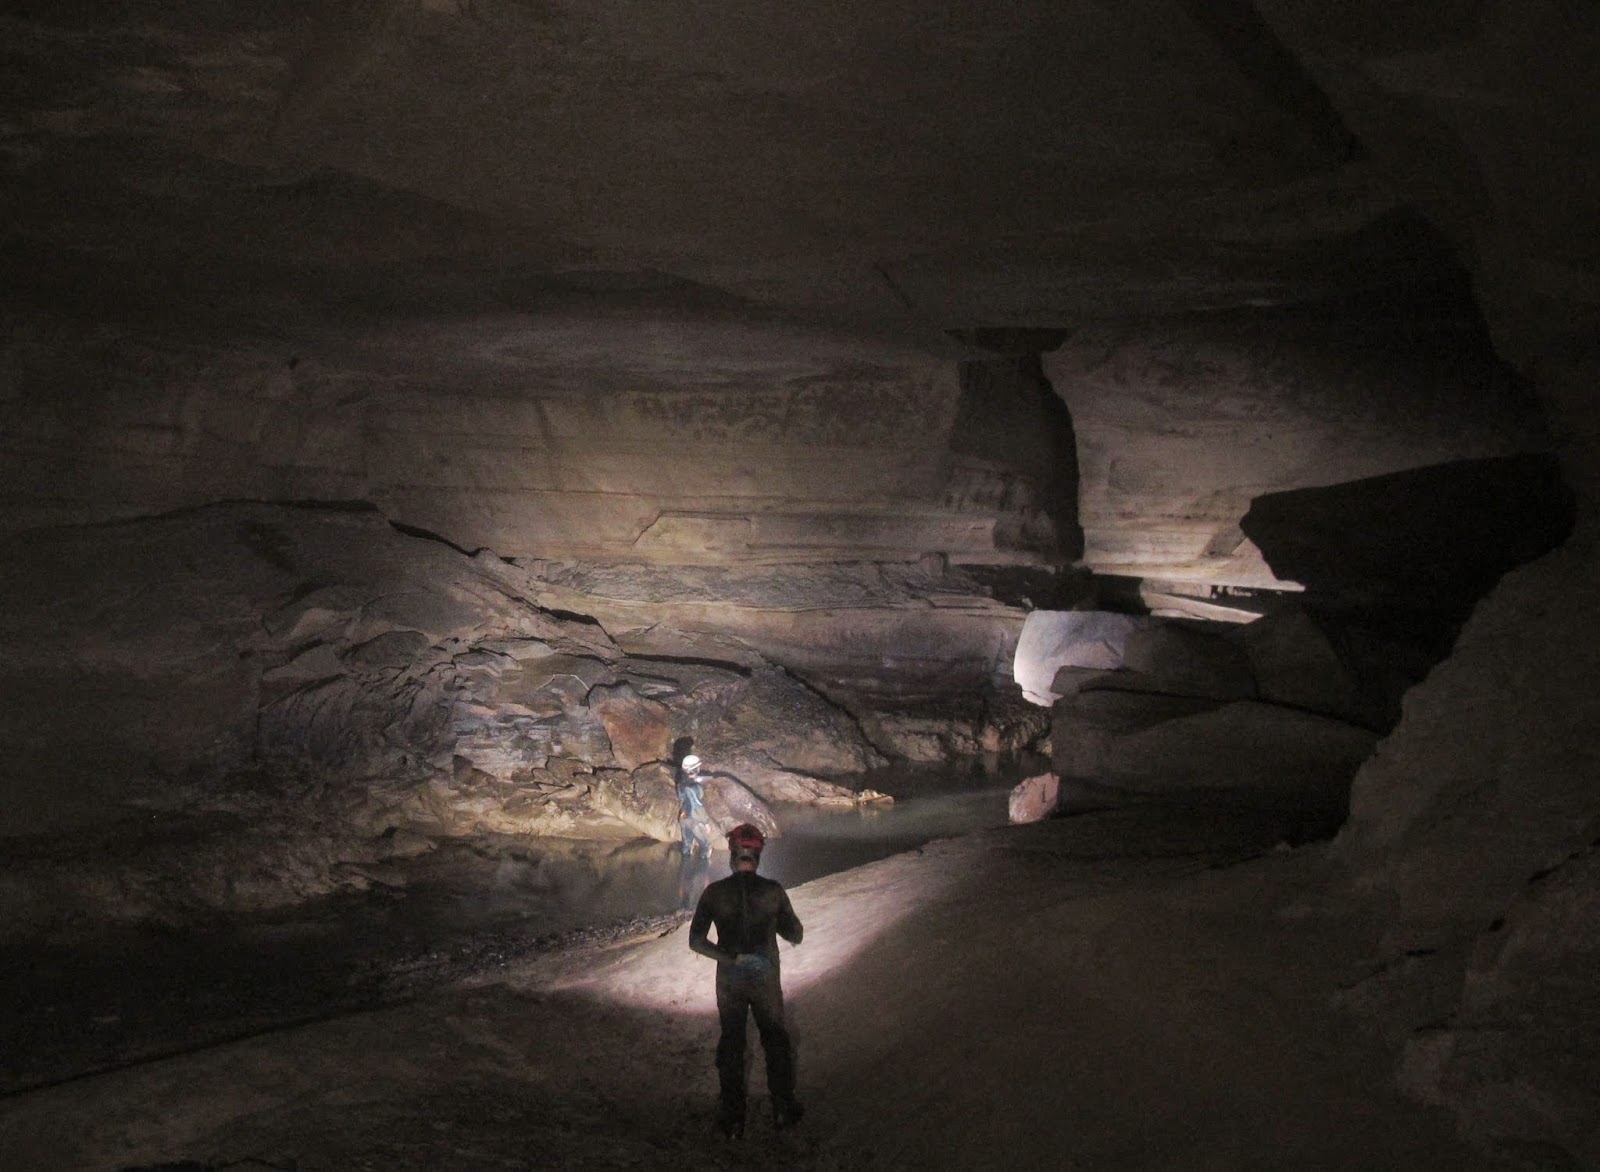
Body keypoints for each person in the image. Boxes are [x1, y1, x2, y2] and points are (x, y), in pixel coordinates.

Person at [688, 823, 805, 1139]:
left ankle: (733, 1120)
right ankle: (782, 1110)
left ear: (732, 853)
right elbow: (795, 933)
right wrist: (773, 922)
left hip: (730, 979)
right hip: (765, 976)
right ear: (758, 854)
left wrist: (730, 958)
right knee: (775, 1040)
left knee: (732, 1043)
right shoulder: (772, 891)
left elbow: (696, 942)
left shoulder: (714, 893)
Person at [676, 753, 713, 860]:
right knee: (705, 847)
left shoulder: (680, 782)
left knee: (686, 847)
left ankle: (684, 873)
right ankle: (703, 873)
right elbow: (697, 805)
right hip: (694, 820)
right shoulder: (694, 786)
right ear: (695, 769)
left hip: (683, 817)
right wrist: (706, 822)